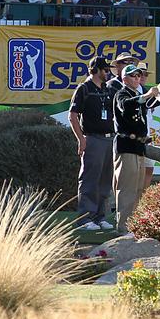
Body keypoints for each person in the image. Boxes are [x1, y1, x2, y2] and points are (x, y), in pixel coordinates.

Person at [113, 63, 160, 235]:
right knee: (127, 188)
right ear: (124, 78)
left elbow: (154, 101)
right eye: (133, 75)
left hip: (139, 146)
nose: (137, 78)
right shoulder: (121, 93)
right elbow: (126, 105)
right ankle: (123, 227)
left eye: (139, 76)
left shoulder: (139, 95)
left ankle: (133, 226)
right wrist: (147, 95)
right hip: (126, 145)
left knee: (139, 187)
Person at [69, 57, 115, 230]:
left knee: (104, 180)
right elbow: (73, 116)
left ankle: (100, 217)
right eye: (105, 70)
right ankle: (85, 219)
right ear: (95, 70)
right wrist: (81, 139)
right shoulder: (83, 89)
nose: (108, 72)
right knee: (89, 180)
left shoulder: (107, 89)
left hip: (108, 139)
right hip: (93, 139)